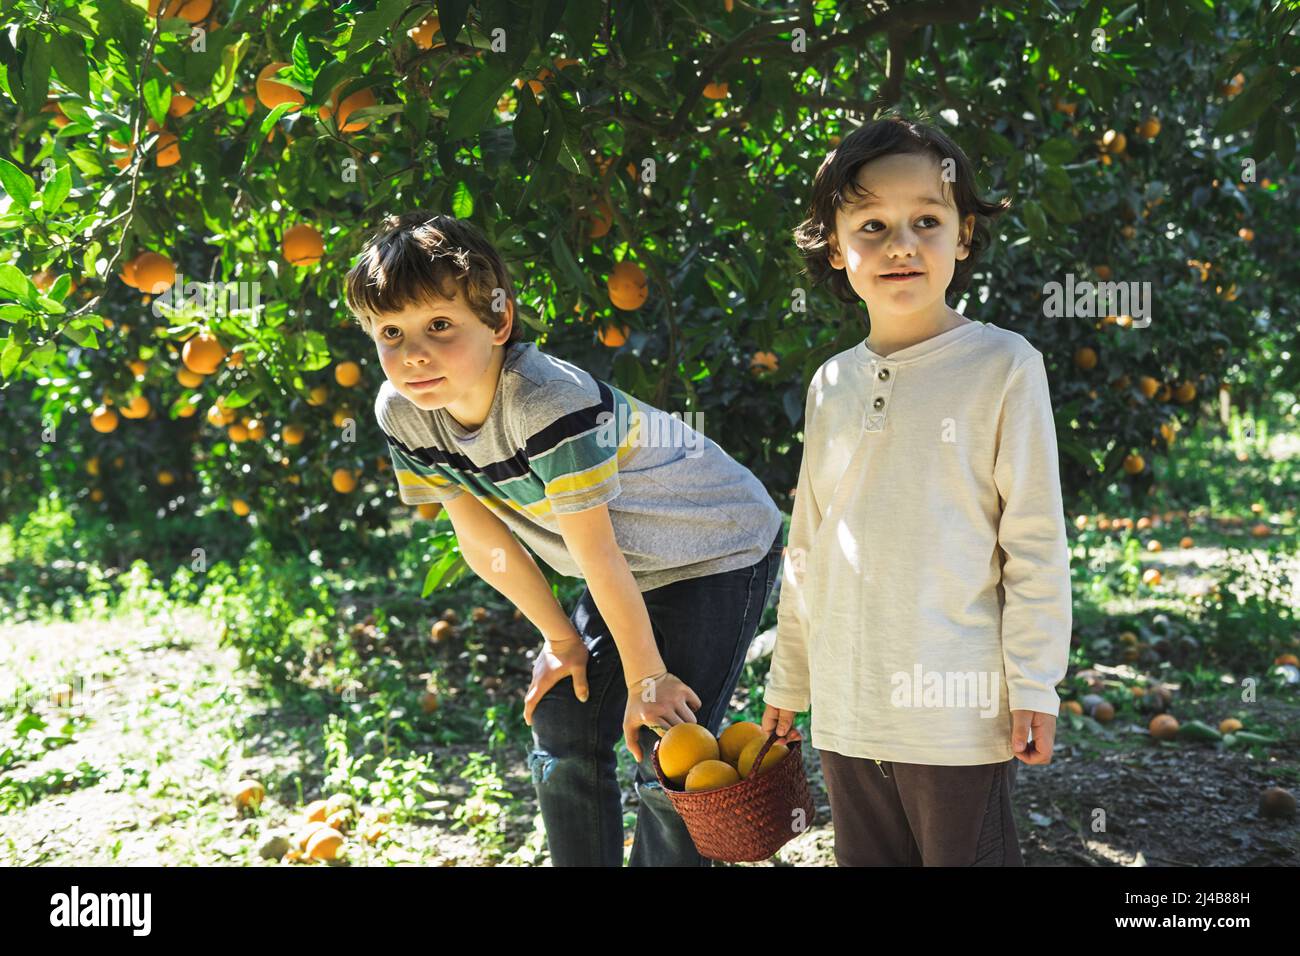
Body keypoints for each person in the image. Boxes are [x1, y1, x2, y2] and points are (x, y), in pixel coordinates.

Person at [344, 212, 783, 866]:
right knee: (562, 720)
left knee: (669, 748)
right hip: (625, 565)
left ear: (498, 321)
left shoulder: (545, 401)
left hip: (714, 547)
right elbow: (482, 541)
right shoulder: (404, 412)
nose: (414, 353)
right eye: (390, 333)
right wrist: (561, 639)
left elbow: (596, 554)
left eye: (439, 326)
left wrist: (648, 678)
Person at [762, 115, 1072, 866]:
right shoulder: (831, 383)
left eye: (926, 221)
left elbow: (1034, 542)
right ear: (835, 248)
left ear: (963, 236)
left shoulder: (1003, 366)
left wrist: (1035, 683)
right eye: (872, 225)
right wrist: (790, 680)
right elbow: (809, 545)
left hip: (956, 713)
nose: (901, 244)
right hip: (848, 708)